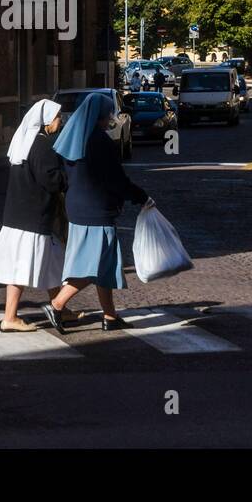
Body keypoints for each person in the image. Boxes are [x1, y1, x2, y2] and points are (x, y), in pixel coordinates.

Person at [42, 93, 150, 333]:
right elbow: (116, 179)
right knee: (96, 264)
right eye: (108, 114)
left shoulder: (70, 138)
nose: (110, 118)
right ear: (100, 116)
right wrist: (140, 197)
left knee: (104, 263)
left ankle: (110, 316)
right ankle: (57, 304)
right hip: (96, 209)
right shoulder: (100, 141)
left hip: (77, 207)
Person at [0, 99, 80, 331]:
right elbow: (51, 179)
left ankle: (60, 308)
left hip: (22, 215)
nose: (60, 121)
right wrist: (69, 178)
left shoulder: (26, 143)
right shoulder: (42, 145)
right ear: (47, 120)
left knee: (53, 263)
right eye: (58, 117)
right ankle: (10, 317)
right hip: (32, 218)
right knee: (21, 267)